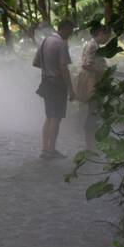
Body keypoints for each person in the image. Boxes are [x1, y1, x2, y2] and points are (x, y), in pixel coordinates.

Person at [34, 19, 74, 158]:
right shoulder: (61, 44)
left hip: (45, 82)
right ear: (65, 28)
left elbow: (35, 62)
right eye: (70, 31)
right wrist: (71, 88)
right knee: (56, 117)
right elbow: (64, 67)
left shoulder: (45, 41)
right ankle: (52, 150)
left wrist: (48, 68)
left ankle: (45, 149)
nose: (71, 34)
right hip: (57, 84)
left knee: (49, 116)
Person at [77, 23, 114, 150]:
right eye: (107, 36)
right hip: (91, 83)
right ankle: (89, 144)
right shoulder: (92, 45)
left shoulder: (94, 44)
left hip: (94, 81)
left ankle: (91, 143)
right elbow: (86, 65)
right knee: (92, 112)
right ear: (101, 34)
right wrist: (102, 71)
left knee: (94, 112)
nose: (107, 39)